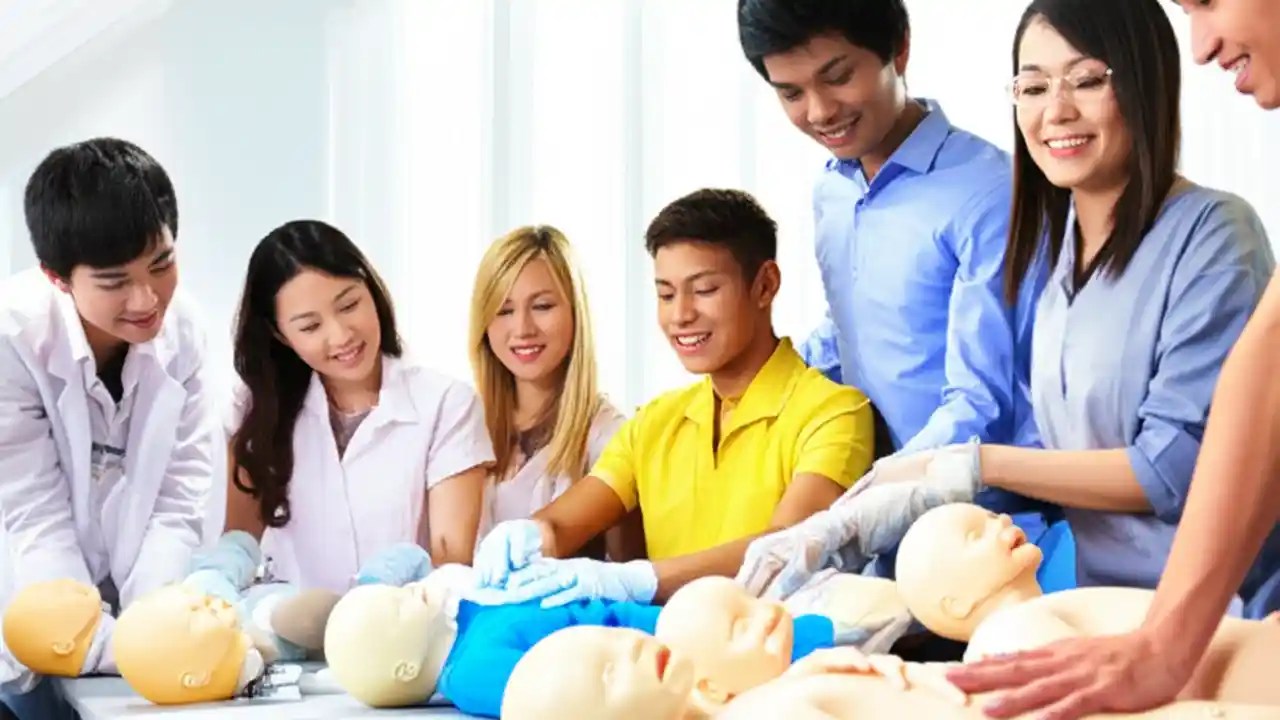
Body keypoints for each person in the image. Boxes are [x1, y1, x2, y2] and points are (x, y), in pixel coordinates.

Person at [945, 0, 1280, 718]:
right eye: (1033, 86)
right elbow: (1072, 451)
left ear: (1143, 84)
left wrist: (976, 465)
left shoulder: (1213, 235)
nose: (1056, 110)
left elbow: (1174, 466)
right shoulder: (1055, 267)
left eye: (1087, 79)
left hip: (1222, 620)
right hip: (1109, 618)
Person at [470, 189, 875, 606]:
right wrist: (529, 535)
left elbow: (786, 548)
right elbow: (562, 524)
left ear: (765, 285)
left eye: (704, 290)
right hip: (664, 642)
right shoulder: (654, 422)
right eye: (666, 295)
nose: (681, 315)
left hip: (769, 637)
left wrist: (640, 580)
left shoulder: (834, 413)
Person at [737, 0, 1045, 457]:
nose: (819, 112)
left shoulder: (993, 192)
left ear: (899, 49)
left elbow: (985, 402)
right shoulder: (834, 189)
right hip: (870, 483)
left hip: (975, 494)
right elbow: (851, 333)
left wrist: (881, 487)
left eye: (838, 77)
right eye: (792, 94)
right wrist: (741, 400)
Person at [0, 138, 217, 719]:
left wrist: (148, 634)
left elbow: (178, 497)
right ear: (57, 277)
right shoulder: (12, 338)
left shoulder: (185, 331)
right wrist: (101, 643)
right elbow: (32, 513)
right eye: (115, 281)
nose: (147, 299)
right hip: (27, 600)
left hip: (126, 613)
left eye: (162, 265)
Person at [222, 220, 492, 594]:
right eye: (310, 326)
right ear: (280, 335)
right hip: (289, 624)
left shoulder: (446, 403)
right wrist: (218, 577)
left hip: (409, 621)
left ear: (371, 289)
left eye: (349, 305)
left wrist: (383, 604)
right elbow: (238, 543)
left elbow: (451, 557)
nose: (341, 336)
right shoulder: (257, 408)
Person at [468, 225, 640, 559]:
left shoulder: (610, 436)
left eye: (543, 306)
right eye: (504, 310)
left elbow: (627, 568)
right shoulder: (462, 424)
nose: (523, 329)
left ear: (576, 311)